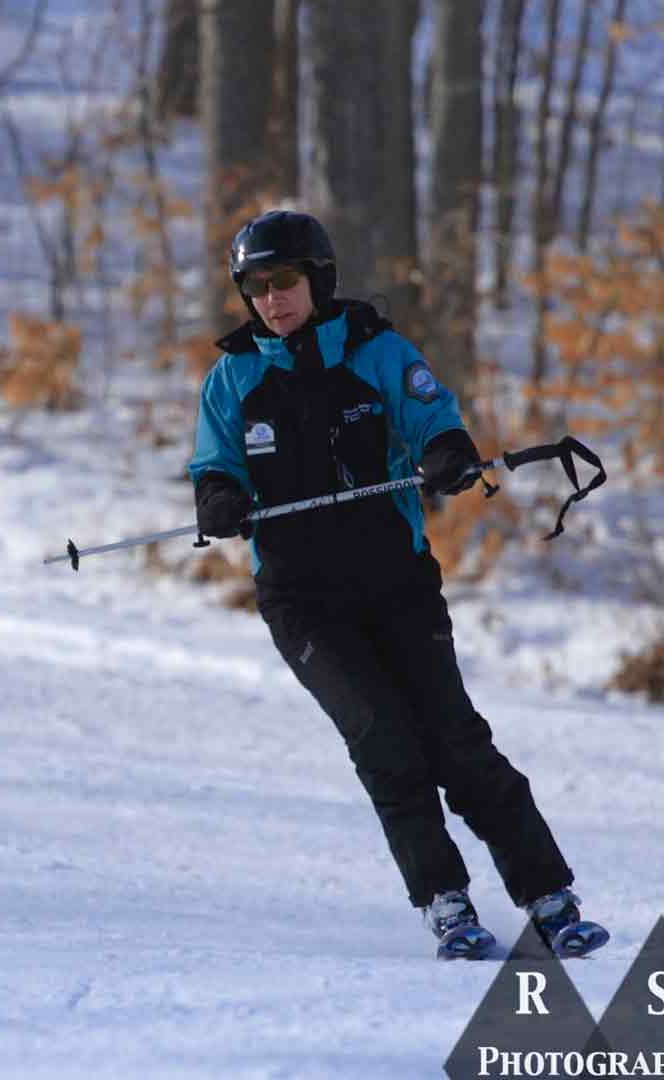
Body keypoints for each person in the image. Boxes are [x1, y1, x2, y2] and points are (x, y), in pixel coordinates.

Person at [187, 210, 609, 961]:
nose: (273, 299)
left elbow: (434, 420)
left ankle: (550, 896)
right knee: (384, 740)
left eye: (285, 281)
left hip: (395, 585)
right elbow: (214, 464)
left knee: (454, 740)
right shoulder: (233, 377)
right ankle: (445, 901)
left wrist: (447, 454)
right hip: (302, 601)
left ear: (317, 280)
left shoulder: (376, 352)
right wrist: (218, 498)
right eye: (257, 286)